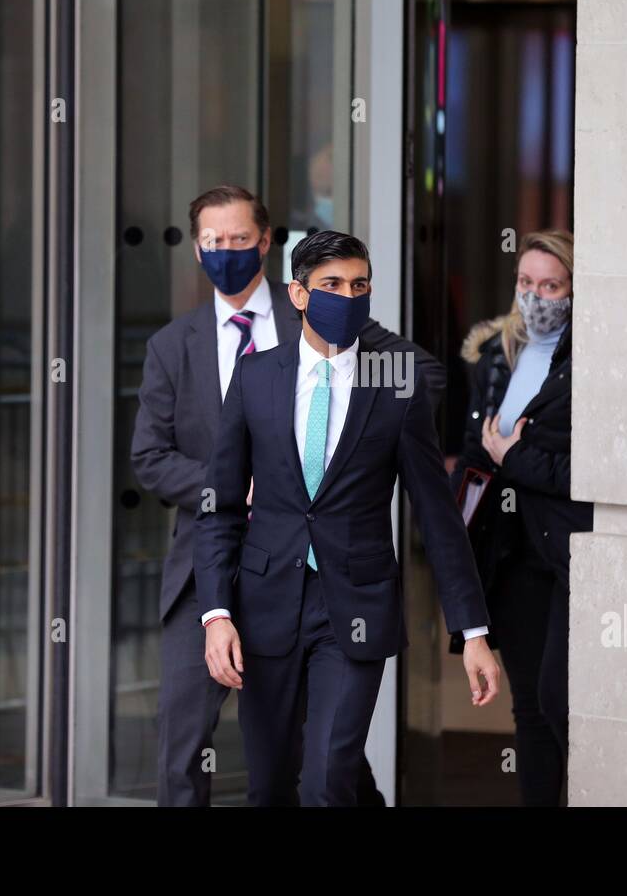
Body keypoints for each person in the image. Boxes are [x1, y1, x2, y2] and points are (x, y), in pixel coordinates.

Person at [131, 186, 446, 806]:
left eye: (240, 239)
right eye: (213, 242)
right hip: (215, 563)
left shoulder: (318, 302)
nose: (227, 252)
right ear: (197, 250)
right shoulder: (174, 345)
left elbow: (420, 372)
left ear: (266, 243)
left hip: (324, 569)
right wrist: (235, 487)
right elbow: (149, 457)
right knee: (184, 744)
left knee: (329, 758)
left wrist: (373, 407)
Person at [194, 230, 500, 806]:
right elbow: (221, 508)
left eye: (359, 285)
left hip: (354, 609)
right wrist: (216, 613)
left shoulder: (397, 386)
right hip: (265, 606)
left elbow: (437, 517)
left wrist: (474, 633)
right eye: (331, 285)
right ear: (299, 294)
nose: (348, 296)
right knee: (268, 789)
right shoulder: (257, 377)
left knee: (330, 779)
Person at [451, 230, 591, 807]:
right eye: (526, 283)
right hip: (508, 552)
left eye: (551, 285)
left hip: (561, 550)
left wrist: (517, 458)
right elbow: (472, 453)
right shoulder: (495, 355)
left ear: (576, 289)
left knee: (561, 700)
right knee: (530, 704)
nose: (536, 297)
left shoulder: (586, 360)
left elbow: (589, 472)